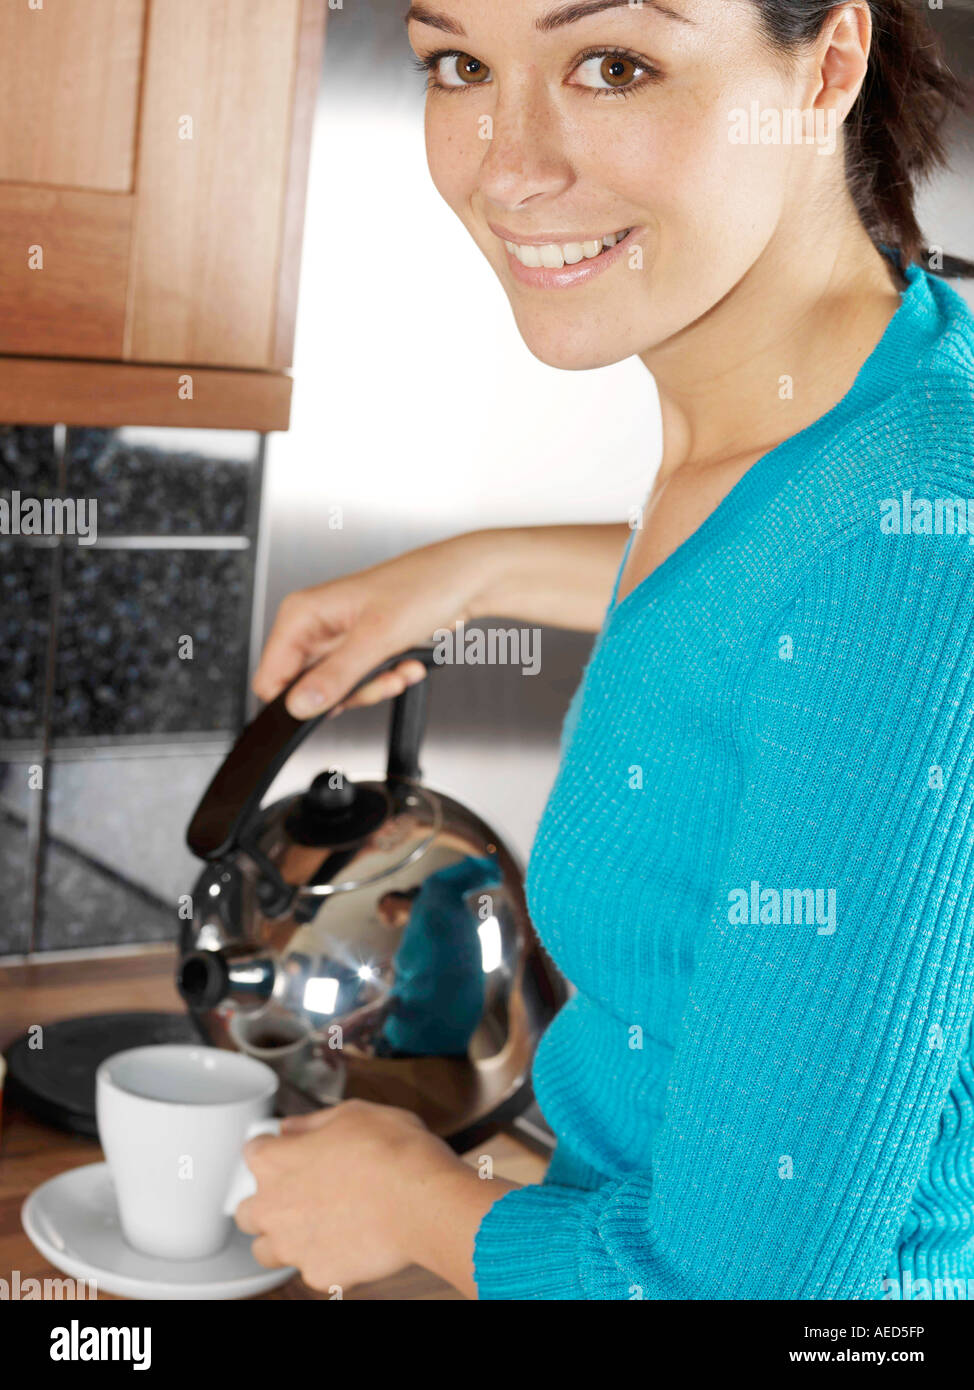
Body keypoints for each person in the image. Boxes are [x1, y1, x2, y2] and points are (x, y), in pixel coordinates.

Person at [232, 0, 974, 1300]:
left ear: (828, 64)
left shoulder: (910, 542)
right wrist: (467, 571)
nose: (509, 165)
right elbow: (759, 596)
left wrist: (417, 1204)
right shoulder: (843, 409)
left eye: (612, 64)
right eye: (456, 63)